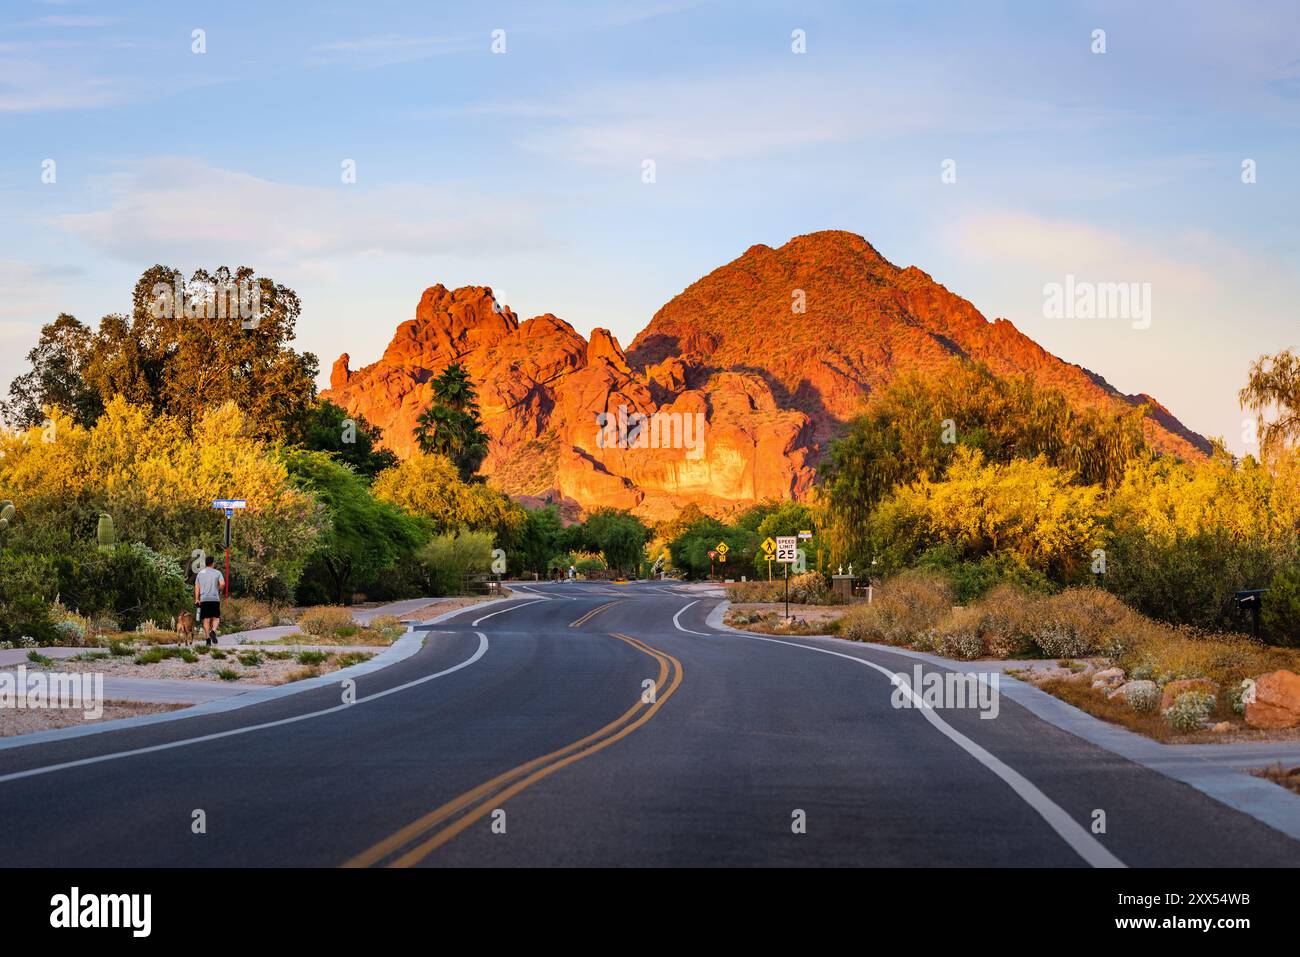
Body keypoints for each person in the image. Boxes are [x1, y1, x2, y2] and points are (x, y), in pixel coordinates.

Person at [194, 555, 225, 645]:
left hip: (204, 599)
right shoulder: (218, 573)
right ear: (213, 563)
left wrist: (197, 599)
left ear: (205, 563)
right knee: (216, 618)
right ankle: (213, 631)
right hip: (214, 599)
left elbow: (197, 587)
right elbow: (222, 584)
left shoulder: (200, 573)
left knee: (206, 619)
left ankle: (208, 640)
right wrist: (219, 590)